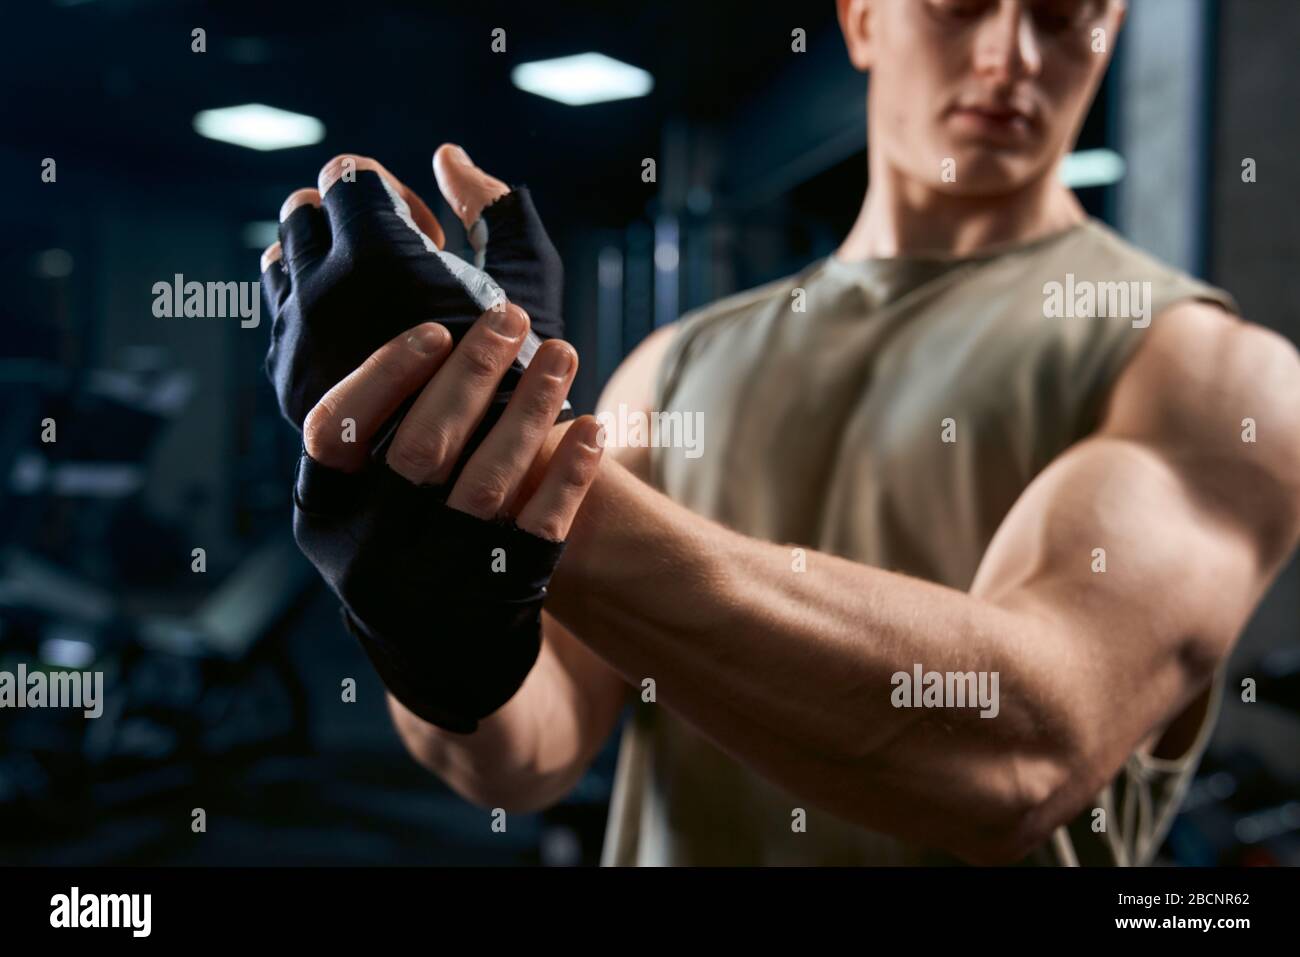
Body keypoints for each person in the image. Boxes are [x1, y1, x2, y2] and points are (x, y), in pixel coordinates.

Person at [259, 0, 1300, 865]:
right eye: (961, 3)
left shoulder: (1209, 368)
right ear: (859, 20)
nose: (1007, 54)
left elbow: (1021, 754)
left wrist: (518, 470)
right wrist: (420, 601)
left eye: (1064, 16)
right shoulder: (675, 365)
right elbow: (524, 760)